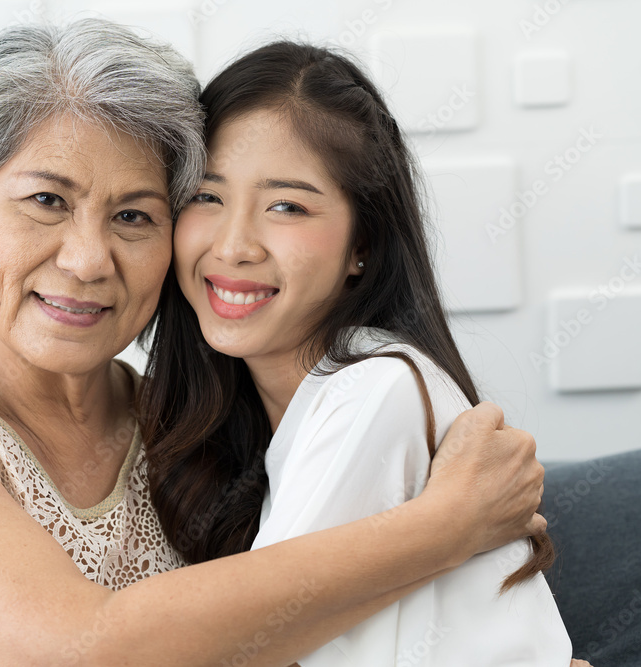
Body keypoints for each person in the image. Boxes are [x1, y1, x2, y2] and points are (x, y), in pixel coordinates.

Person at [0, 19, 549, 667]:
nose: (89, 259)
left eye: (134, 215)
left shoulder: (190, 429)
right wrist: (447, 526)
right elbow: (65, 652)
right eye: (48, 200)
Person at [142, 41, 573, 665]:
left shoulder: (374, 390)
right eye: (208, 196)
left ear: (360, 245)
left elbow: (234, 645)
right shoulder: (270, 413)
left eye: (286, 205)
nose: (233, 246)